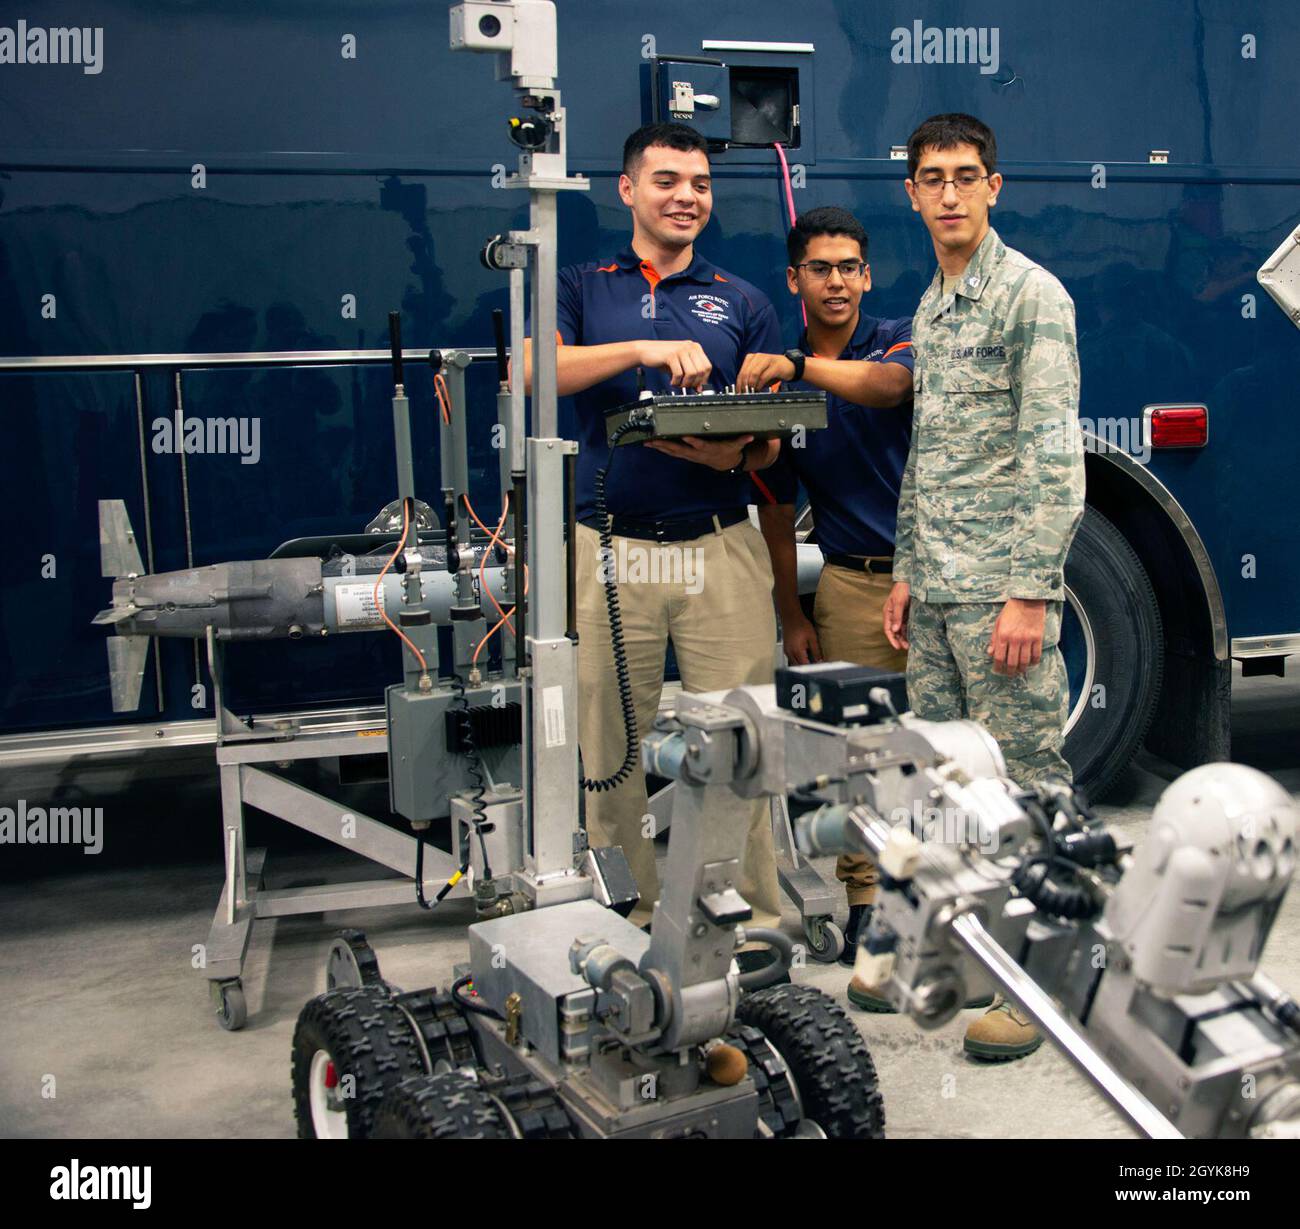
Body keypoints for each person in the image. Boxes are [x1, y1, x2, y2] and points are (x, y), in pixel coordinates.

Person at [523, 123, 787, 971]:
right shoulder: (578, 283)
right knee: (608, 748)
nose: (687, 196)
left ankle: (749, 925)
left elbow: (774, 441)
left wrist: (738, 450)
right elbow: (534, 367)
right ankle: (627, 922)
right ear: (627, 189)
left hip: (719, 544)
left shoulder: (740, 299)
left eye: (701, 182)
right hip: (610, 551)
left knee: (743, 736)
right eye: (667, 179)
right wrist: (641, 349)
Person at [885, 113, 1086, 1060]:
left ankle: (1054, 979)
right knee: (945, 789)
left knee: (1032, 790)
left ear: (995, 187)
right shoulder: (933, 303)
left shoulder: (1030, 297)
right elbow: (930, 453)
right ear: (914, 193)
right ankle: (967, 956)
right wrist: (903, 570)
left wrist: (1032, 593)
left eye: (969, 176)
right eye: (935, 178)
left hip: (999, 594)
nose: (952, 193)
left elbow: (1052, 457)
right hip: (935, 596)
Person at [744, 207, 940, 1002]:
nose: (838, 280)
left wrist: (795, 367)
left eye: (850, 266)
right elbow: (775, 508)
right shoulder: (780, 381)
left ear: (867, 275)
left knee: (933, 753)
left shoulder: (897, 336)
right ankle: (865, 905)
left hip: (934, 579)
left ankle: (934, 909)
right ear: (795, 280)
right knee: (857, 757)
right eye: (820, 267)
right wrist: (792, 612)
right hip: (854, 585)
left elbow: (890, 388)